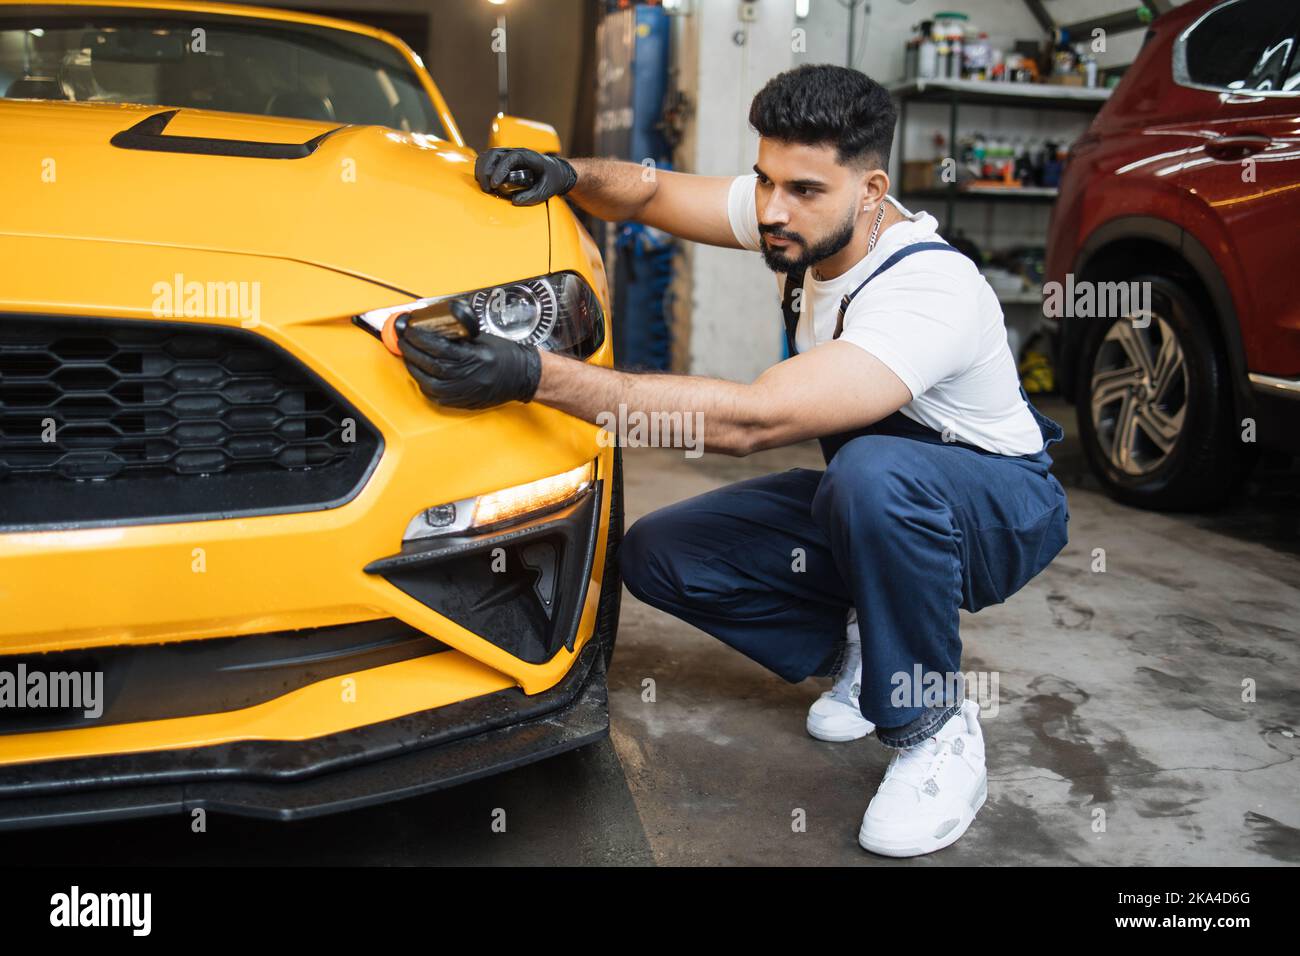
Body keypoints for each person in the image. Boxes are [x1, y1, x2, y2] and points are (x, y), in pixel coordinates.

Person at [398, 64, 1070, 857]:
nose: (772, 211)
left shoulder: (928, 290)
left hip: (998, 510)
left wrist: (536, 375)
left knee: (874, 478)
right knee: (661, 552)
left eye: (803, 190)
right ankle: (869, 641)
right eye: (763, 181)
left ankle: (935, 725)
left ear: (871, 189)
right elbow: (650, 194)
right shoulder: (799, 217)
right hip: (887, 496)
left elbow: (755, 422)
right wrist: (570, 176)